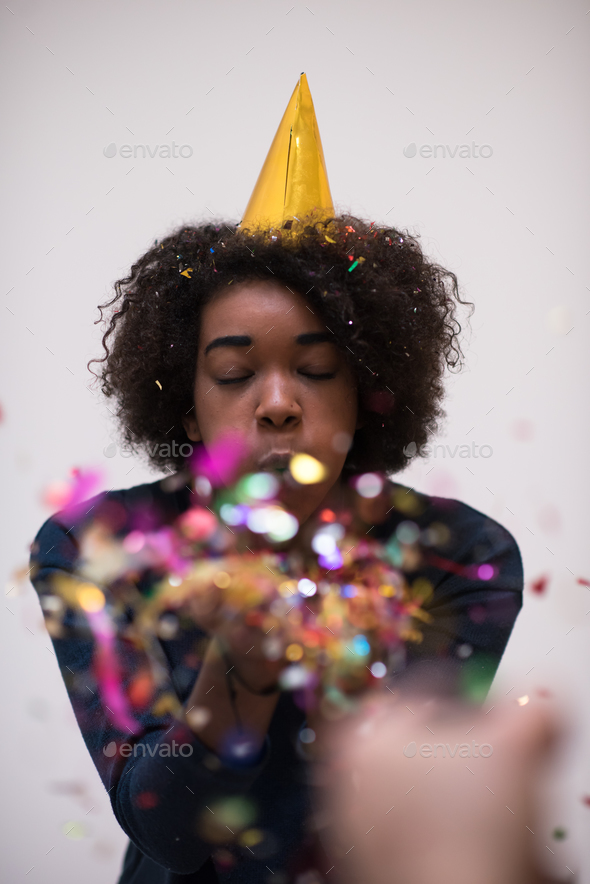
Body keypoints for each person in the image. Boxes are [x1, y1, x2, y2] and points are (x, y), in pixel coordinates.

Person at [28, 74, 524, 884]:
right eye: (233, 373)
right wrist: (244, 666)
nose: (280, 405)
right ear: (184, 407)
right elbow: (173, 834)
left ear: (365, 395)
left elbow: (395, 818)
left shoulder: (459, 554)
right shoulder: (97, 548)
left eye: (318, 369)